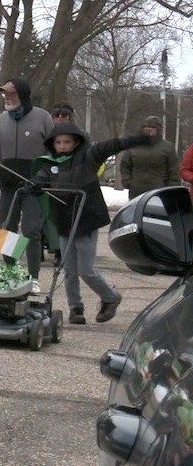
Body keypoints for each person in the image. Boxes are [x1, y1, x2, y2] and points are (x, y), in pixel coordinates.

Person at [30, 121, 153, 324]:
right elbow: (42, 177)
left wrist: (136, 140)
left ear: (76, 142)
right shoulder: (49, 163)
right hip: (64, 222)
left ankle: (110, 297)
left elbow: (110, 146)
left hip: (85, 220)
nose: (62, 146)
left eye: (66, 142)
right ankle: (75, 308)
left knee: (85, 269)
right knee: (68, 270)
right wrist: (35, 183)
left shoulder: (88, 158)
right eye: (58, 142)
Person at [0, 77, 55, 278]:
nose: (7, 98)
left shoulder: (43, 117)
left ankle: (33, 276)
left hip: (34, 185)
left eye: (12, 94)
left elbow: (54, 152)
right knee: (6, 227)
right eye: (5, 94)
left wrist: (42, 175)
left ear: (23, 95)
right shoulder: (1, 119)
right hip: (8, 183)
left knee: (31, 230)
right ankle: (10, 273)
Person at [119, 116, 180, 199]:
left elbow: (174, 169)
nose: (149, 129)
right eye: (146, 127)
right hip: (136, 192)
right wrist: (127, 181)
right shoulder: (134, 145)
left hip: (160, 192)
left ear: (158, 129)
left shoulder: (167, 147)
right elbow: (125, 165)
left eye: (152, 127)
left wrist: (172, 187)